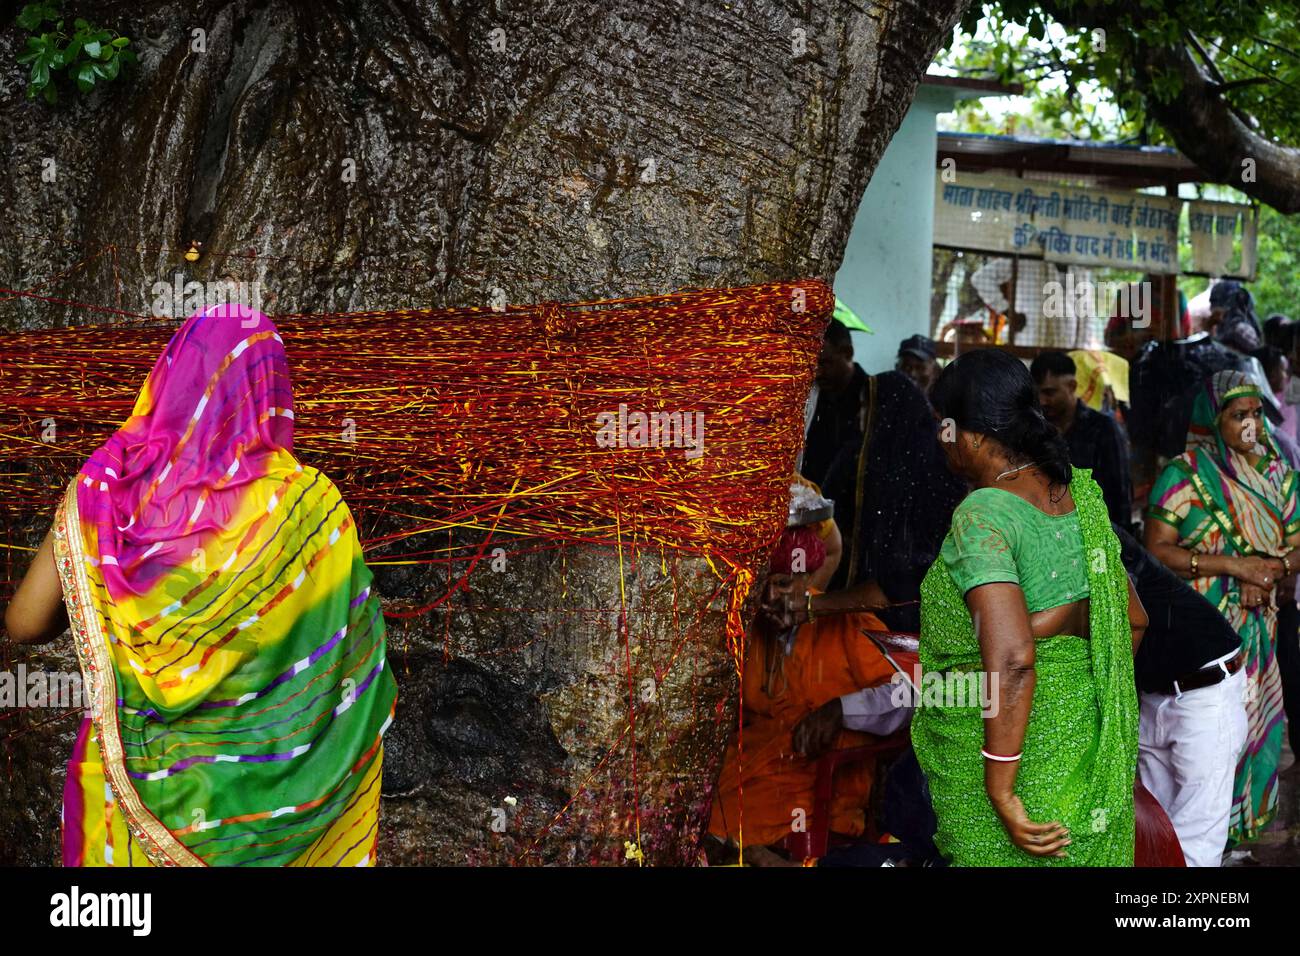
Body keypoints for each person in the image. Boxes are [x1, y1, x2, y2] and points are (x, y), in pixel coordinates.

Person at [3, 304, 398, 867]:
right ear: (271, 393)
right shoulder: (309, 508)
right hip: (272, 819)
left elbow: (24, 623)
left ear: (166, 382)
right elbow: (346, 670)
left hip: (133, 801)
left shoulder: (107, 498)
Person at [911, 348, 1145, 866]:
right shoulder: (1078, 496)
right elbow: (1130, 623)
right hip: (1082, 764)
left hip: (1003, 769)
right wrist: (1063, 621)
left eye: (943, 427)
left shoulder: (983, 514)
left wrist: (1002, 791)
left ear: (972, 434)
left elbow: (1013, 659)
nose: (939, 439)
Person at [1145, 369, 1296, 854]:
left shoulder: (1281, 476)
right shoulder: (1185, 474)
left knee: (1254, 727)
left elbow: (1297, 545)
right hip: (1197, 638)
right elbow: (1155, 550)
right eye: (1237, 415)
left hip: (1260, 624)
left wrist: (1265, 571)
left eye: (1256, 414)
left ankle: (1234, 832)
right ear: (1213, 422)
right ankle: (1198, 844)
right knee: (1203, 749)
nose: (1250, 425)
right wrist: (1233, 565)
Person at [707, 520, 912, 865]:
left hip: (820, 780)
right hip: (750, 766)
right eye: (762, 586)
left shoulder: (850, 623)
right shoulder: (750, 629)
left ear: (808, 579)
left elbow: (906, 696)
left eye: (784, 584)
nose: (771, 598)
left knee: (724, 824)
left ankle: (752, 851)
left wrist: (841, 710)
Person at [1114, 523, 1247, 867]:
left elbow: (1131, 622)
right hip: (1154, 691)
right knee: (1157, 829)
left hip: (1205, 689)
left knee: (1196, 841)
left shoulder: (1095, 537)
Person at [816, 371, 967, 625]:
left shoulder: (866, 461)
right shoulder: (942, 460)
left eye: (866, 405)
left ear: (885, 409)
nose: (861, 413)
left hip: (887, 592)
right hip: (916, 599)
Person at [1030, 351, 1134, 530]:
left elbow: (1119, 495)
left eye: (1049, 392)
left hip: (1092, 533)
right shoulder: (1033, 429)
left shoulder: (1103, 429)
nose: (1042, 401)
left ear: (1072, 386)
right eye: (1036, 393)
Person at [802, 319, 868, 488]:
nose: (816, 373)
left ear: (847, 353)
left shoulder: (873, 400)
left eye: (824, 363)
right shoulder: (808, 397)